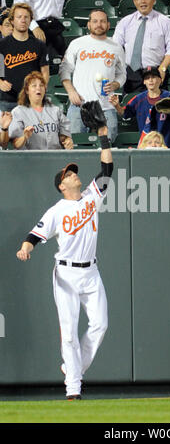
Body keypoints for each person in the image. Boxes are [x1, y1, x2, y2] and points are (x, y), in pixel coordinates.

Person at [16, 123, 113, 400]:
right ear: (62, 185)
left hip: (91, 272)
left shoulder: (91, 197)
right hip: (67, 275)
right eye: (69, 174)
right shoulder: (57, 210)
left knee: (100, 325)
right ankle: (73, 389)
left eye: (73, 172)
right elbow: (34, 234)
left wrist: (104, 137)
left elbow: (107, 171)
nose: (74, 175)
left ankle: (73, 369)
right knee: (69, 332)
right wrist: (25, 248)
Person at [59, 8, 126, 143]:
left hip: (106, 106)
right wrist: (71, 92)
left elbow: (122, 74)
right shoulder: (77, 43)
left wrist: (115, 84)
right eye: (95, 21)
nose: (99, 24)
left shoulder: (116, 46)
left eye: (102, 21)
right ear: (88, 24)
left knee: (108, 148)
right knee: (75, 146)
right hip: (80, 105)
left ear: (108, 25)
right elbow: (64, 70)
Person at [13, 0, 111, 55]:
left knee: (63, 65)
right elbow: (19, 3)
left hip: (54, 27)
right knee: (34, 71)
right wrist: (34, 27)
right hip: (34, 28)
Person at [113, 0, 170, 94]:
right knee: (131, 109)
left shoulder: (165, 22)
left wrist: (162, 68)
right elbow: (115, 46)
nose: (142, 1)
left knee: (157, 109)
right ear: (134, 1)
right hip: (131, 75)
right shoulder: (125, 22)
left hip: (156, 73)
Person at [109, 66, 170, 148]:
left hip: (167, 144)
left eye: (153, 77)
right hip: (147, 145)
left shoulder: (169, 97)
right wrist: (117, 106)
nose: (150, 80)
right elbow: (124, 113)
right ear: (144, 82)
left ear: (160, 80)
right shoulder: (138, 99)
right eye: (147, 78)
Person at [3, 71, 73, 150]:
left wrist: (67, 140)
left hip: (54, 157)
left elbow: (63, 137)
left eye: (41, 85)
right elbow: (16, 144)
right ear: (27, 90)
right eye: (34, 85)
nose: (38, 88)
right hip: (30, 159)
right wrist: (25, 137)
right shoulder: (18, 112)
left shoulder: (55, 110)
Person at [0, 3, 49, 112]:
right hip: (7, 101)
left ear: (31, 20)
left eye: (26, 17)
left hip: (31, 101)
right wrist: (0, 83)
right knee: (6, 129)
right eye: (19, 17)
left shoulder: (39, 45)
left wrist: (40, 90)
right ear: (12, 21)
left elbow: (44, 71)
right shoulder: (2, 45)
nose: (23, 20)